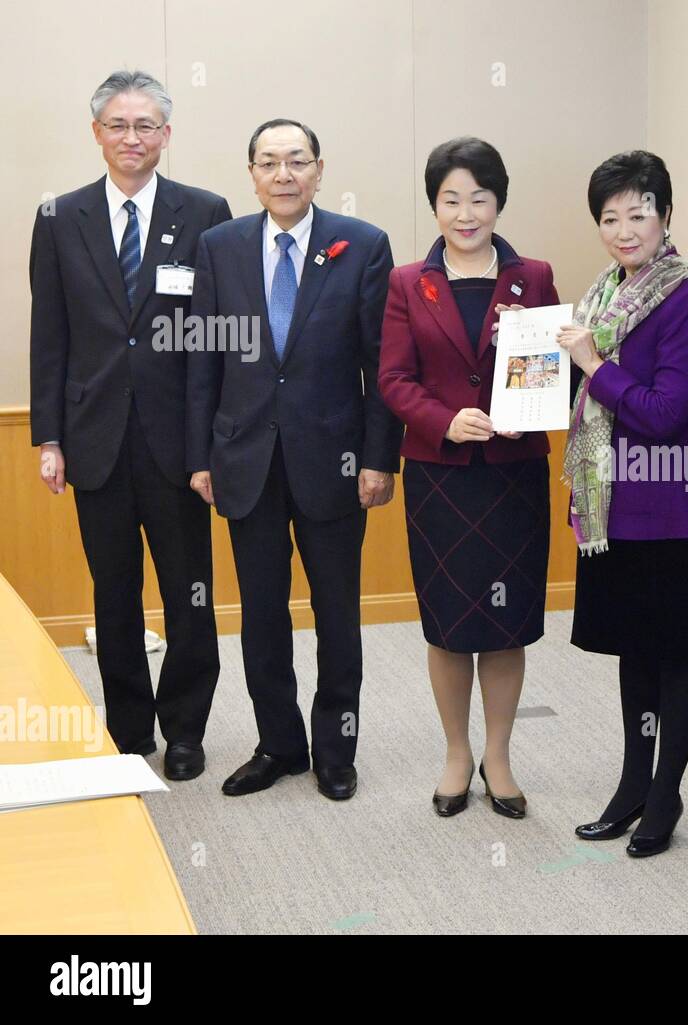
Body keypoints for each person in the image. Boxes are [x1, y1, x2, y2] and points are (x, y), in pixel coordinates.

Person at [186, 118, 403, 800]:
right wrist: (200, 457)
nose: (284, 174)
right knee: (261, 614)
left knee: (337, 613)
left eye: (297, 161)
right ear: (251, 173)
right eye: (270, 162)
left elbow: (381, 364)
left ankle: (336, 750)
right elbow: (203, 362)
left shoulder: (362, 246)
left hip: (334, 461)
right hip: (244, 459)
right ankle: (278, 743)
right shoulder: (218, 247)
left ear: (318, 169)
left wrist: (378, 459)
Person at [29, 70, 229, 780]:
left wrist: (213, 442)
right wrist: (48, 436)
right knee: (113, 594)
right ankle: (128, 728)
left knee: (189, 594)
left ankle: (184, 730)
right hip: (95, 439)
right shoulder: (60, 217)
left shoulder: (206, 211)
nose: (132, 138)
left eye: (147, 125)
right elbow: (48, 334)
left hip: (180, 447)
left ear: (166, 135)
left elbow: (215, 338)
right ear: (97, 133)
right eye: (118, 124)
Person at [379, 137, 557, 819]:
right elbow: (393, 378)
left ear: (498, 201)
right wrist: (443, 420)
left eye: (478, 198)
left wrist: (531, 375)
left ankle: (500, 755)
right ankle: (457, 752)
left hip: (512, 475)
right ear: (435, 205)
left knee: (507, 624)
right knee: (449, 624)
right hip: (441, 476)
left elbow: (559, 368)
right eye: (451, 199)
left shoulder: (532, 276)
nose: (465, 212)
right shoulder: (405, 283)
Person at [562, 151, 688, 857]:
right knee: (635, 651)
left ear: (666, 216)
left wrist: (594, 365)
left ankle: (667, 792)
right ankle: (634, 782)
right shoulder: (603, 292)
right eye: (610, 217)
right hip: (611, 505)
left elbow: (664, 411)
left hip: (667, 502)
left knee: (675, 651)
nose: (625, 230)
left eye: (638, 214)